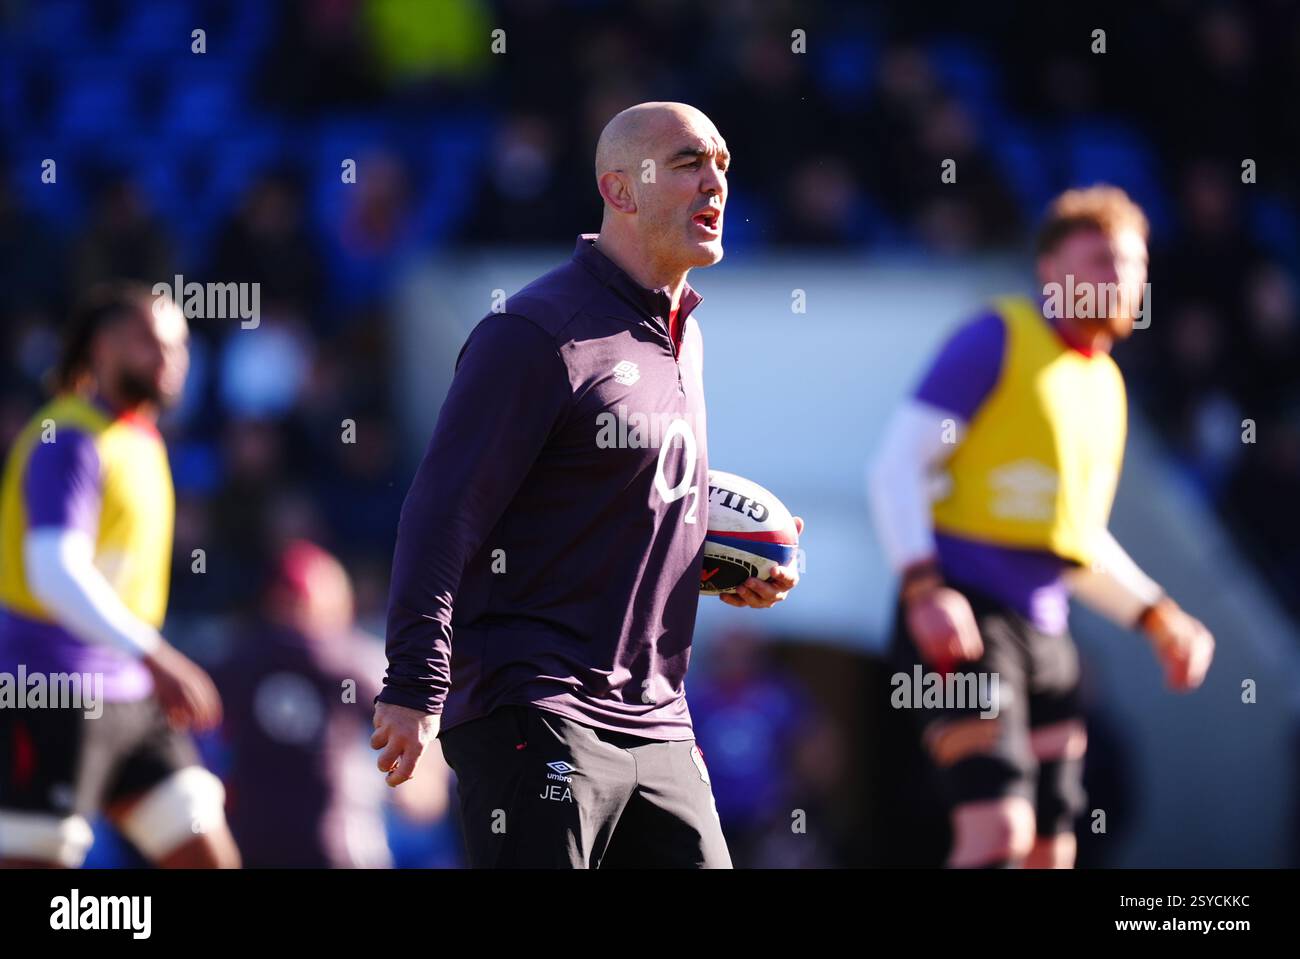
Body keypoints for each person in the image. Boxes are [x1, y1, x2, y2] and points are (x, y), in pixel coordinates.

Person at [372, 102, 801, 868]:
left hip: (659, 718)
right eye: (688, 164)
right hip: (534, 707)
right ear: (621, 189)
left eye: (722, 165)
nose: (715, 184)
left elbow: (604, 512)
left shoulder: (685, 336)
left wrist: (714, 559)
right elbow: (440, 516)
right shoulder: (535, 331)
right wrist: (413, 682)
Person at [868, 186, 1215, 868]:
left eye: (1133, 265)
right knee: (996, 835)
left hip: (1051, 638)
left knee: (1049, 853)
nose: (1121, 279)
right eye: (1102, 260)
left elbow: (1077, 540)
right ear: (1051, 269)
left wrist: (1156, 614)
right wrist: (922, 588)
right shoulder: (995, 337)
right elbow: (894, 467)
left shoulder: (1107, 386)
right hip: (964, 618)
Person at [0, 283, 238, 869]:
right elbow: (53, 570)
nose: (169, 360)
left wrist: (143, 663)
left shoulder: (142, 438)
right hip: (49, 689)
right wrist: (157, 655)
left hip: (131, 695)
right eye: (150, 344)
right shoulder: (70, 436)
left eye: (179, 347)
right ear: (102, 347)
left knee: (205, 853)